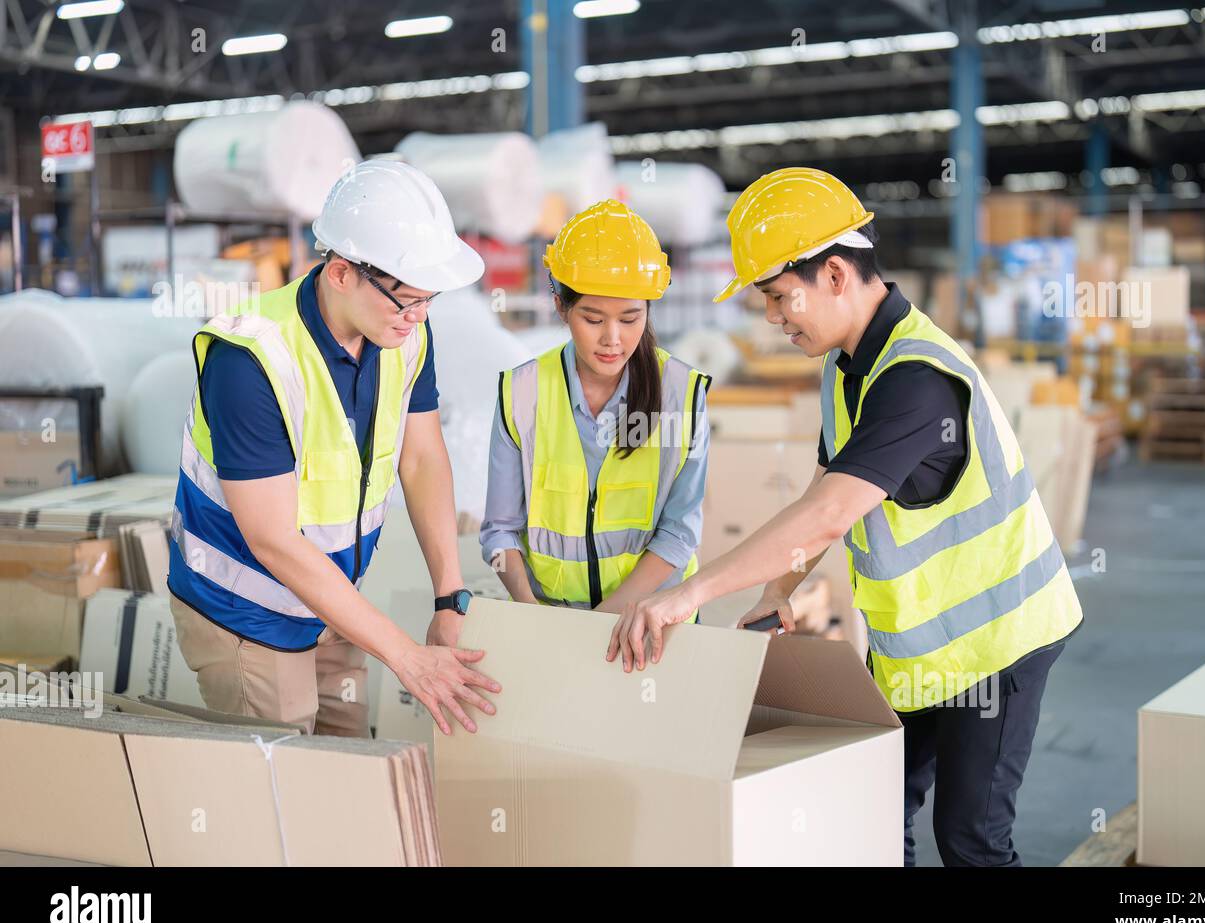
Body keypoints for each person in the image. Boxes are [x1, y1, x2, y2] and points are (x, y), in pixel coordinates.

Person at [606, 167, 1083, 866]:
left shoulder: (916, 380)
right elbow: (823, 491)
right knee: (874, 809)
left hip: (998, 643)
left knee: (972, 837)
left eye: (777, 297)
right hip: (922, 647)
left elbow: (829, 516)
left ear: (833, 274)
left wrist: (689, 595)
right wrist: (777, 592)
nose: (772, 317)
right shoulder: (849, 364)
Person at [167, 158, 500, 738]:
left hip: (330, 599)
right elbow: (271, 539)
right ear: (342, 272)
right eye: (405, 299)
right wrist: (404, 656)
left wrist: (450, 599)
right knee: (284, 788)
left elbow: (421, 461)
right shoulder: (249, 360)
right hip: (247, 610)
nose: (417, 317)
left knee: (348, 763)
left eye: (429, 300)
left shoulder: (404, 334)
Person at [477, 199, 711, 669]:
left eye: (630, 319)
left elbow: (680, 533)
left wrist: (605, 621)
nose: (613, 339)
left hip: (656, 628)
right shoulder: (523, 392)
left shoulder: (680, 394)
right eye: (592, 318)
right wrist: (533, 613)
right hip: (551, 625)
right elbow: (500, 531)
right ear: (561, 306)